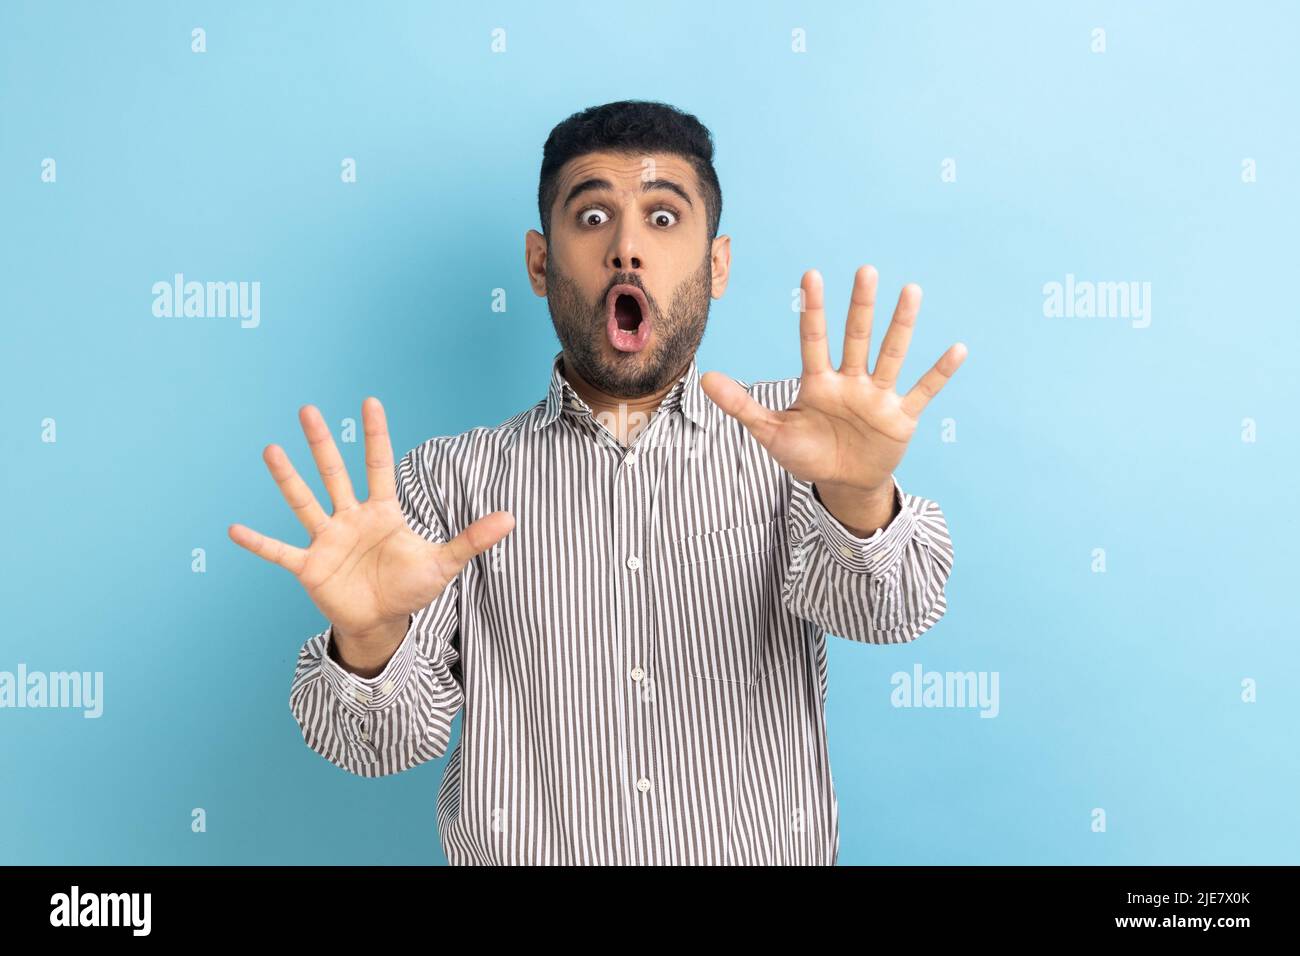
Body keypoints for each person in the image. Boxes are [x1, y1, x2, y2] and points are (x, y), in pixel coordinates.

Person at [229, 100, 967, 865]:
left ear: (717, 263)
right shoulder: (447, 483)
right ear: (540, 261)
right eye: (591, 219)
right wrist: (370, 641)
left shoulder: (796, 442)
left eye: (663, 218)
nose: (626, 250)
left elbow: (894, 612)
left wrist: (854, 497)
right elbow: (377, 747)